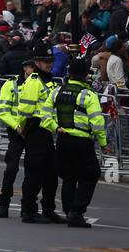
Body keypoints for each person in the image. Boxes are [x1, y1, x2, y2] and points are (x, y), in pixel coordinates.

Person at [42, 58, 107, 228]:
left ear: (69, 73)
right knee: (90, 175)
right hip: (82, 141)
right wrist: (103, 142)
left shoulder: (57, 91)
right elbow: (97, 122)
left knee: (69, 177)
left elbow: (45, 115)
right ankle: (77, 212)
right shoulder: (88, 95)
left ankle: (69, 209)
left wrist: (56, 128)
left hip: (62, 139)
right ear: (85, 75)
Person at [18, 54, 65, 224]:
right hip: (36, 128)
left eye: (51, 61)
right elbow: (25, 108)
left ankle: (48, 209)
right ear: (37, 62)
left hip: (48, 130)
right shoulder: (34, 80)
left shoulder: (49, 80)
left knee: (51, 174)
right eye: (46, 61)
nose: (49, 64)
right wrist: (22, 127)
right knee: (34, 173)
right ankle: (28, 211)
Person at [0, 61, 32, 218]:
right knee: (11, 169)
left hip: (34, 131)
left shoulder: (41, 84)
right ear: (25, 68)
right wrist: (17, 126)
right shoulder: (11, 85)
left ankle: (27, 206)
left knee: (32, 171)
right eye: (32, 67)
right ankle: (4, 204)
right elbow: (3, 111)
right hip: (17, 132)